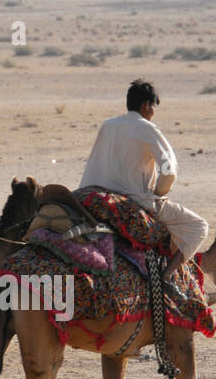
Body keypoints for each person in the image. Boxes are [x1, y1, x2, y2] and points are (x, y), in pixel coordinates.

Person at [78, 79, 208, 280]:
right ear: (146, 106)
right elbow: (169, 170)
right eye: (153, 107)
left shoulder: (108, 125)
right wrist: (159, 194)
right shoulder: (146, 128)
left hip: (90, 196)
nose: (153, 112)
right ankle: (167, 276)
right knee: (199, 226)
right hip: (132, 200)